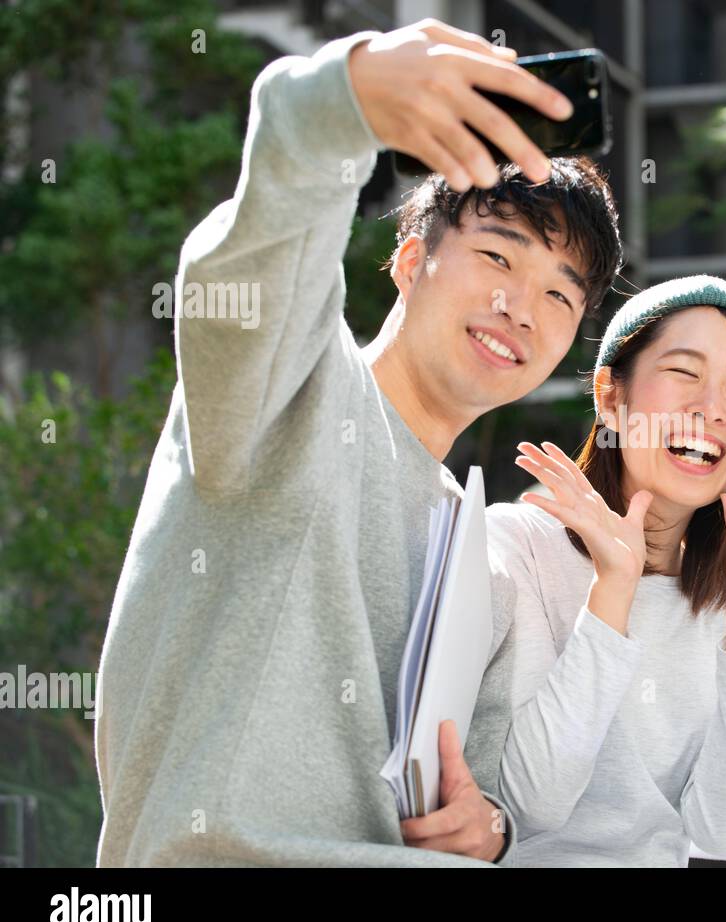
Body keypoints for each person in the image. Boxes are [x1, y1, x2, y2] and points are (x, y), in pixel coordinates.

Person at [94, 19, 622, 866]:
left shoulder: (476, 551)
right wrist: (341, 102)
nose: (521, 307)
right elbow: (253, 257)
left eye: (560, 297)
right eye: (497, 255)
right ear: (410, 260)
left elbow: (477, 792)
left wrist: (488, 827)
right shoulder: (295, 383)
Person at [462, 276, 726, 866]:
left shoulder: (724, 592)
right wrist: (613, 592)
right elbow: (529, 807)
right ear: (612, 397)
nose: (711, 408)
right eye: (684, 373)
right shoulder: (518, 547)